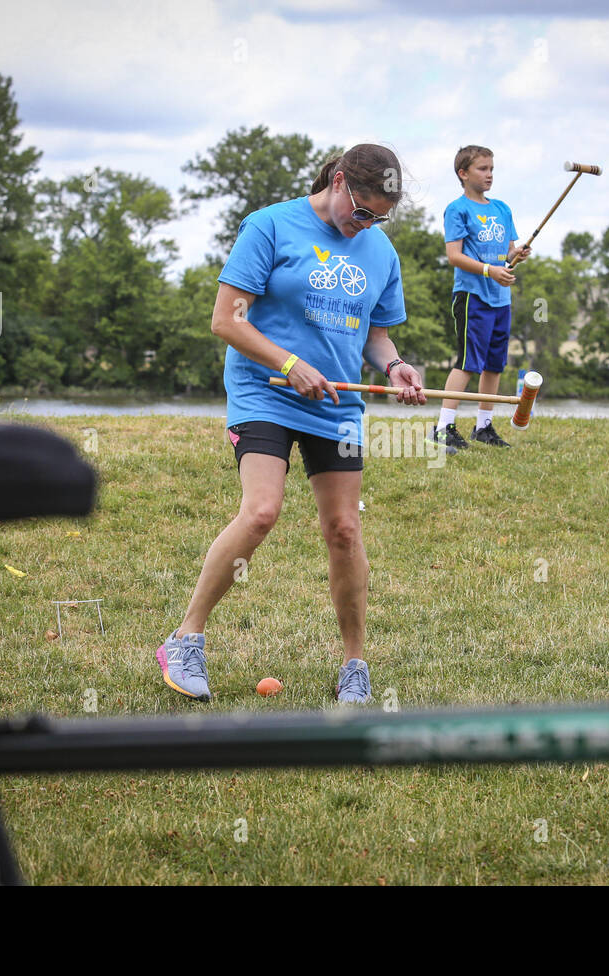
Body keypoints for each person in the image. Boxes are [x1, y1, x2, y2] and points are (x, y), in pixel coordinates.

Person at [156, 144, 426, 705]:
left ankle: (355, 664)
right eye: (363, 211)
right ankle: (185, 639)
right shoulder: (270, 226)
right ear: (339, 181)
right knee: (261, 512)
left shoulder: (379, 251)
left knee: (345, 530)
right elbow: (225, 320)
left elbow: (375, 334)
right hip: (266, 389)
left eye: (379, 218)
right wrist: (287, 362)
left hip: (336, 401)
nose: (366, 225)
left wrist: (396, 366)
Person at [432, 145, 530, 453]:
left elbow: (508, 252)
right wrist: (490, 270)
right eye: (482, 169)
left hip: (501, 297)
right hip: (473, 296)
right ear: (463, 174)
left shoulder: (501, 208)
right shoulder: (457, 209)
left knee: (494, 364)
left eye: (491, 169)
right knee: (467, 361)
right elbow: (454, 256)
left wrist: (517, 255)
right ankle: (442, 427)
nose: (489, 174)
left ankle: (483, 427)